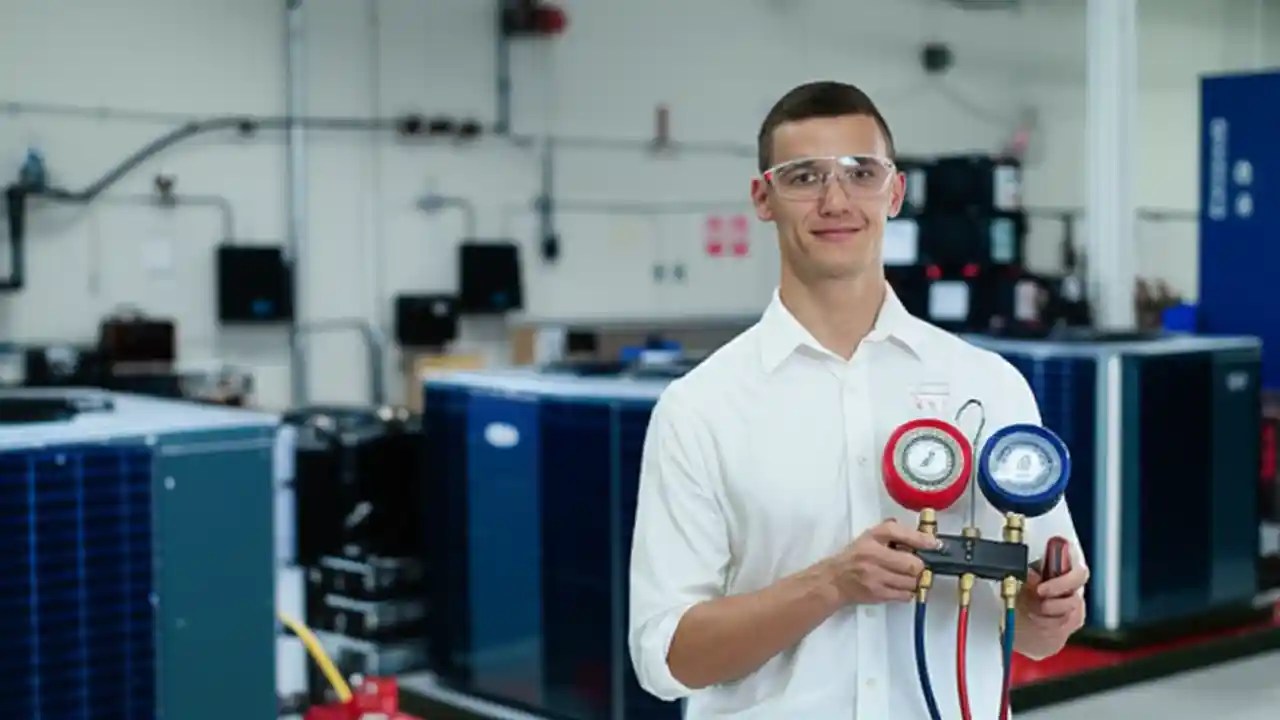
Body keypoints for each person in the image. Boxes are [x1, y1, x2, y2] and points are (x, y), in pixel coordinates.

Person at [627, 80, 1090, 719]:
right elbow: (667, 659)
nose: (835, 199)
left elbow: (1039, 634)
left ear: (894, 192)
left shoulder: (987, 385)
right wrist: (832, 584)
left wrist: (1055, 607)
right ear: (763, 198)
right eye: (804, 176)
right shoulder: (701, 408)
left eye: (860, 172)